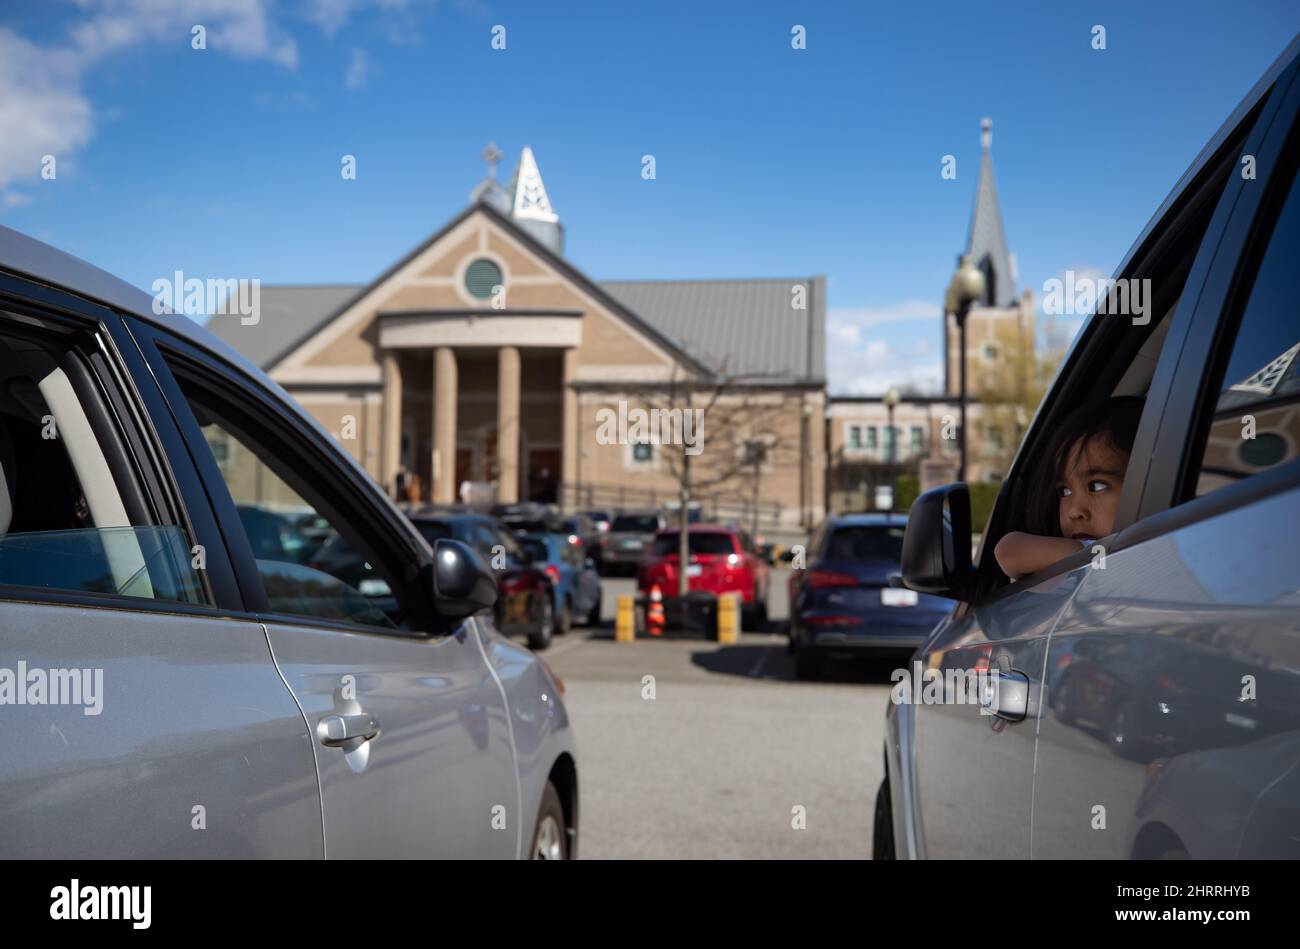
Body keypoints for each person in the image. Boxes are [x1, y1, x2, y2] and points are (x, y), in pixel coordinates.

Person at [994, 397, 1144, 581]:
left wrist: (1084, 553)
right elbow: (1008, 551)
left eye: (1096, 486)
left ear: (1146, 482)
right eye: (1064, 492)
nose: (1074, 511)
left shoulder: (1147, 558)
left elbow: (1007, 550)